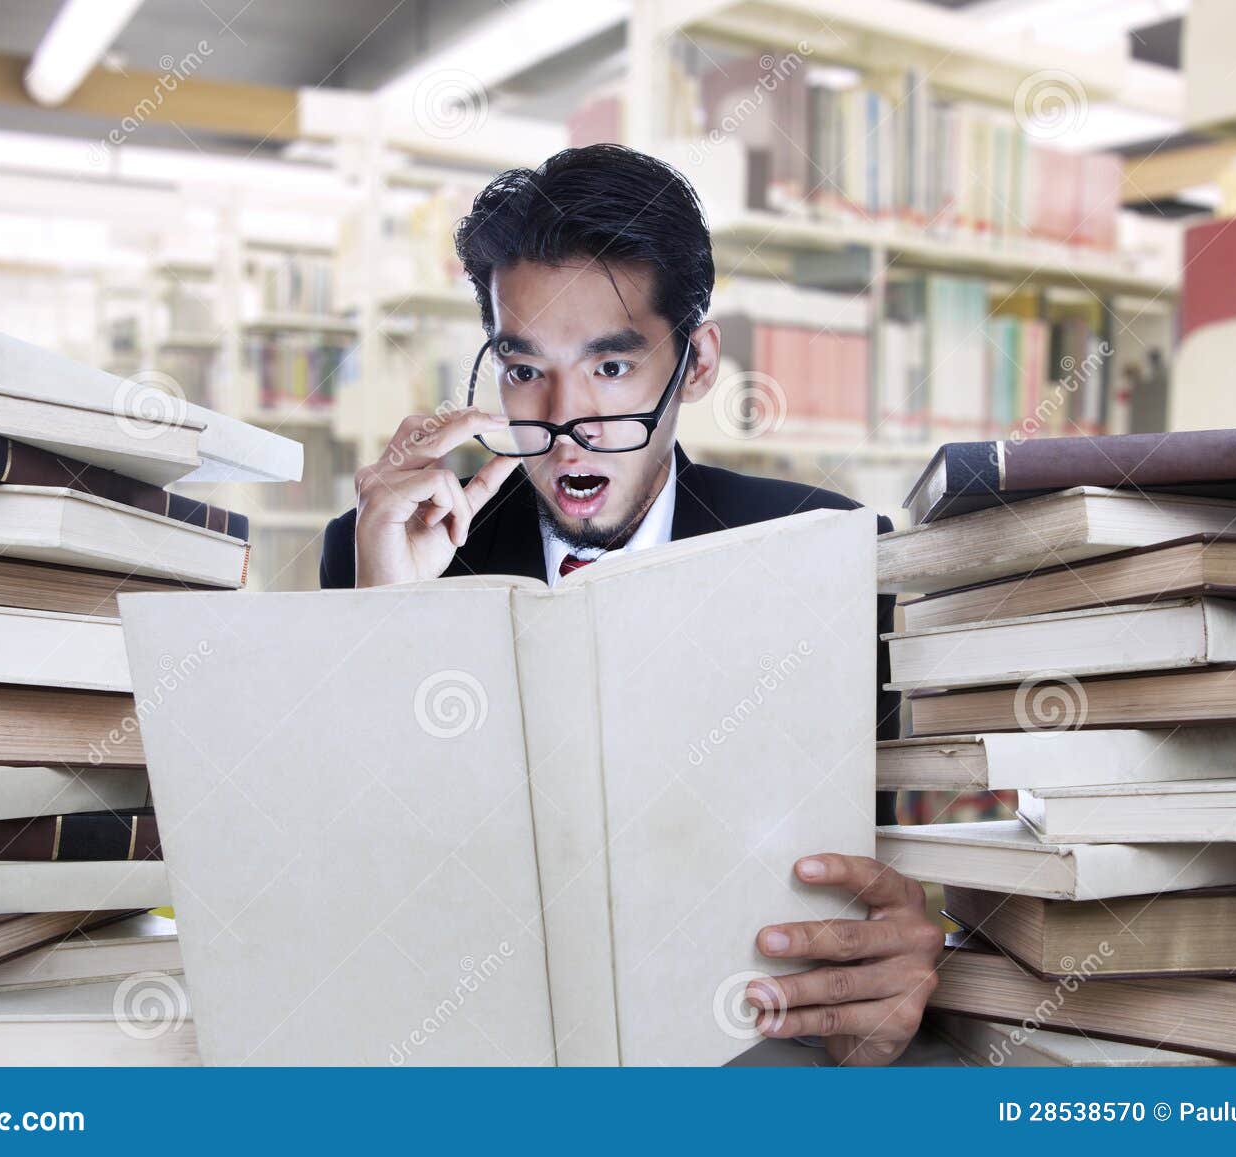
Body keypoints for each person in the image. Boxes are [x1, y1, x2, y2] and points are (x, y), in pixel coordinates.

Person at [319, 143, 940, 1065]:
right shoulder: (377, 552)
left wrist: (923, 959)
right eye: (524, 370)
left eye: (611, 370)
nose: (568, 429)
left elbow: (907, 882)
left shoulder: (830, 554)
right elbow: (341, 903)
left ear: (693, 366)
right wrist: (394, 629)